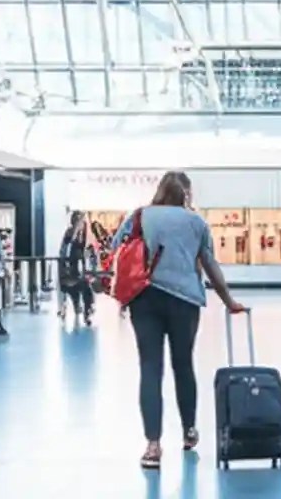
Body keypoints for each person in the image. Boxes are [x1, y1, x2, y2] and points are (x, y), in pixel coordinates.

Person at [110, 171, 246, 470]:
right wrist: (229, 301)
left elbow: (115, 251)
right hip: (184, 302)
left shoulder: (139, 216)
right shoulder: (195, 222)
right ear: (186, 193)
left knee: (150, 367)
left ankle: (153, 445)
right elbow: (210, 266)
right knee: (183, 364)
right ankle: (189, 432)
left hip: (144, 299)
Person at [59, 211, 95, 324]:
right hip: (70, 270)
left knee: (86, 290)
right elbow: (66, 250)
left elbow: (90, 251)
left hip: (81, 271)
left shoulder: (84, 235)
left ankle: (87, 312)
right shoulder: (70, 234)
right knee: (75, 289)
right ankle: (78, 307)